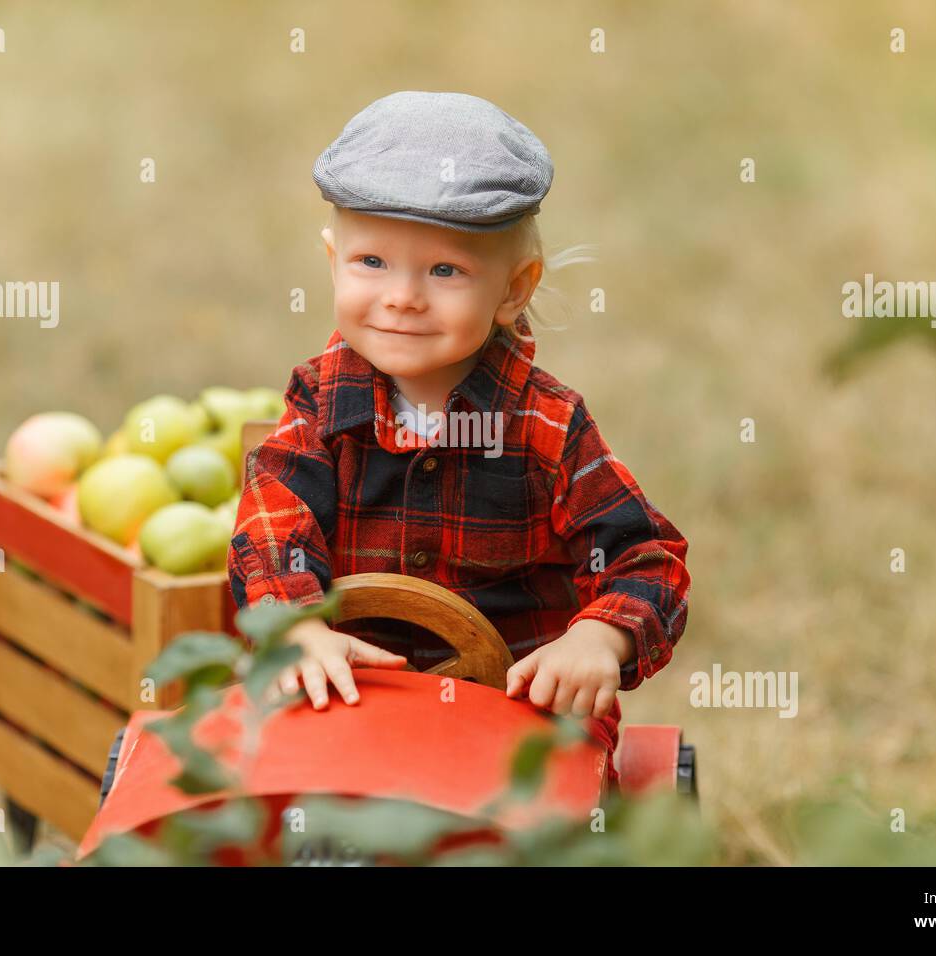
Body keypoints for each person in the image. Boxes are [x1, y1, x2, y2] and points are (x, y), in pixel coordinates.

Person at [227, 91, 690, 770]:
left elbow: (643, 558)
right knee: (268, 775)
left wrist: (598, 639)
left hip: (512, 708)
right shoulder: (320, 400)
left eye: (445, 270)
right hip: (347, 687)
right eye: (371, 263)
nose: (402, 296)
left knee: (547, 800)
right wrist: (295, 623)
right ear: (333, 260)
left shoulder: (549, 427)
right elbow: (274, 516)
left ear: (514, 288)